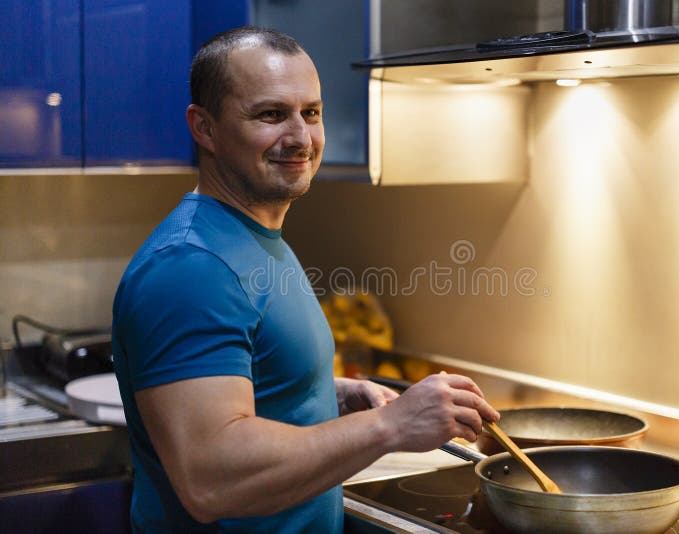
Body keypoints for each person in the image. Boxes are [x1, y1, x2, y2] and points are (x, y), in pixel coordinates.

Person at [111, 26, 499, 533]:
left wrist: (320, 395)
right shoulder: (190, 267)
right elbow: (211, 479)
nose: (300, 137)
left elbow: (248, 381)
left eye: (310, 113)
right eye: (271, 114)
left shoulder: (253, 235)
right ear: (204, 128)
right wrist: (389, 426)